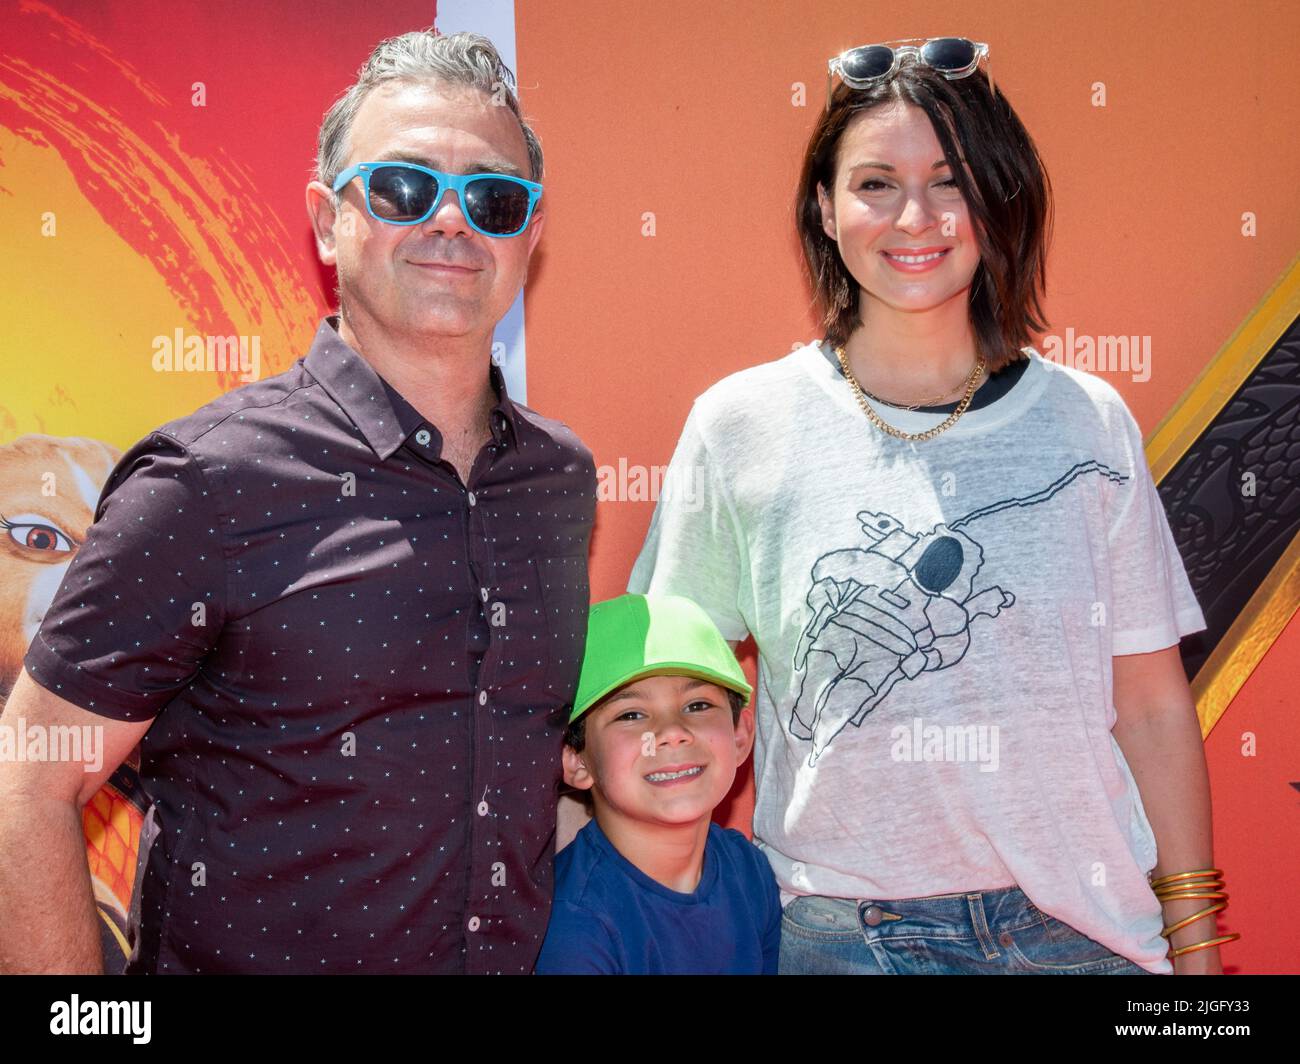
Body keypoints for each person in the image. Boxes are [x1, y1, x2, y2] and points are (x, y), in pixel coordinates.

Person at [628, 37, 1238, 974]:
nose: (916, 216)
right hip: (844, 934)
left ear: (998, 203)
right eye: (875, 182)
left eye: (950, 180)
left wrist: (1195, 950)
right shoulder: (741, 424)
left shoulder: (1089, 425)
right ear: (824, 210)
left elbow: (1152, 706)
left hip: (1085, 935)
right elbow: (661, 684)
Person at [0, 30, 595, 975]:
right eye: (403, 187)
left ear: (530, 231)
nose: (451, 223)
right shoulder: (207, 481)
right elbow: (29, 775)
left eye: (491, 197)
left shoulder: (559, 481)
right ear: (327, 221)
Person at [534, 593, 781, 975]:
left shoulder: (750, 872)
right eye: (631, 714)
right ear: (576, 761)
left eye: (697, 705)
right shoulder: (575, 925)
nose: (671, 733)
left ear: (741, 736)